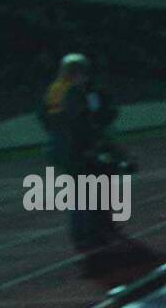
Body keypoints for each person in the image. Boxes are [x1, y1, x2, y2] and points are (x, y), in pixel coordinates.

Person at [39, 53, 113, 250]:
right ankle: (88, 234)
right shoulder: (73, 92)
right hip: (75, 148)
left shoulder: (54, 90)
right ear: (77, 72)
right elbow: (81, 122)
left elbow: (44, 117)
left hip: (61, 147)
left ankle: (86, 232)